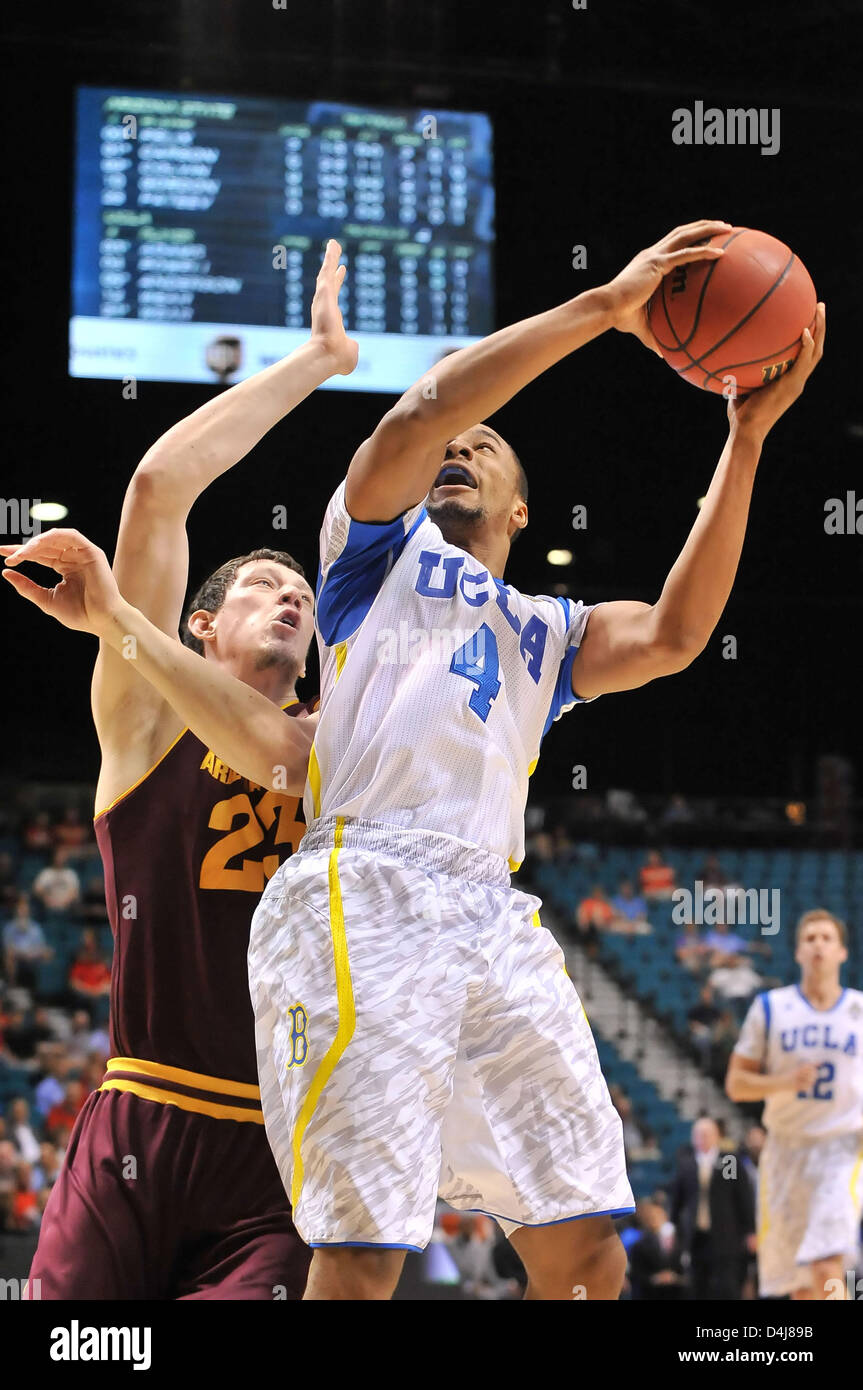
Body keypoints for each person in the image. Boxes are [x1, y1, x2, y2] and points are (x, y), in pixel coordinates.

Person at [4, 224, 826, 1302]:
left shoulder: (548, 631)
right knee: (366, 1248)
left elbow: (675, 634)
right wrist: (602, 308)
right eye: (460, 437)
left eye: (489, 447)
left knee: (585, 1252)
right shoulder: (371, 556)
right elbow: (420, 410)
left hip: (490, 907)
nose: (462, 444)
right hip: (367, 883)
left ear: (523, 509)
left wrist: (748, 438)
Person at [1, 242, 356, 1299]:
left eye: (301, 589)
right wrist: (318, 361)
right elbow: (160, 485)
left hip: (280, 1143)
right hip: (141, 1120)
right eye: (259, 585)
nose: (289, 593)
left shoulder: (337, 742)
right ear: (198, 624)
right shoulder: (148, 711)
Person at [726, 908, 863, 1301]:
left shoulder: (859, 1011)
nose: (818, 945)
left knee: (826, 1267)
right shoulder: (770, 1008)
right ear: (799, 952)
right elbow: (736, 1084)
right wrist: (784, 1082)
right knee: (799, 1287)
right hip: (784, 1150)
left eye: (826, 938)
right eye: (810, 939)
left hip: (841, 1148)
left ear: (842, 953)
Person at [669, 1116, 755, 1300]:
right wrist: (670, 1227)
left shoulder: (727, 1161)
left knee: (727, 1286)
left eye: (706, 1134)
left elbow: (742, 1197)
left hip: (725, 1235)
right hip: (697, 1235)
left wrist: (750, 1230)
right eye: (698, 1134)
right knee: (697, 1286)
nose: (702, 1138)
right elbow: (677, 1200)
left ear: (717, 1136)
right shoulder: (688, 1163)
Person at [628, 1194, 685, 1300]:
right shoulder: (639, 1245)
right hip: (650, 1294)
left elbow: (686, 1268)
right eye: (651, 1216)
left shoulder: (680, 1240)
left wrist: (676, 1278)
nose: (654, 1219)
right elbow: (635, 1274)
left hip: (676, 1293)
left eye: (658, 1215)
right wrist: (655, 1278)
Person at [2, 894, 52, 990]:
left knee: (49, 952)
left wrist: (33, 953)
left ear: (28, 911)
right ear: (16, 911)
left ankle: (42, 990)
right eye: (21, 909)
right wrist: (22, 954)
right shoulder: (10, 927)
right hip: (17, 955)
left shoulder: (35, 927)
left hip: (32, 954)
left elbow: (41, 945)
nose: (23, 912)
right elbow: (8, 946)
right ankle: (13, 986)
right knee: (9, 956)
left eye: (25, 909)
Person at [32, 847, 81, 915]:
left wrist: (63, 903)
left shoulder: (70, 873)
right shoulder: (46, 873)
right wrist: (47, 900)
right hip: (47, 909)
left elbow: (75, 893)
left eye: (63, 856)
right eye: (59, 856)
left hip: (67, 910)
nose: (61, 859)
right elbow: (37, 889)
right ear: (54, 857)